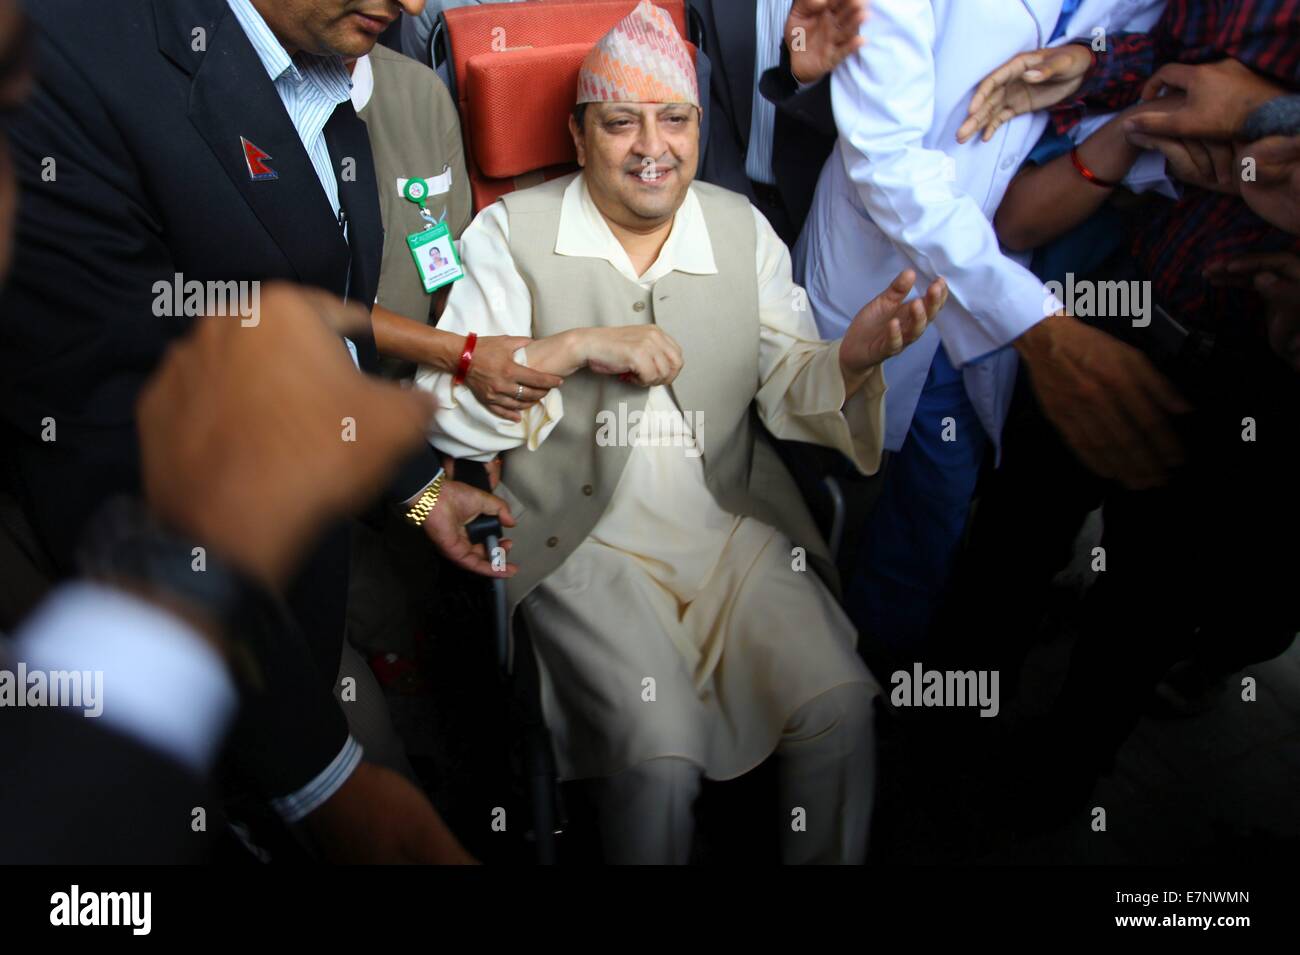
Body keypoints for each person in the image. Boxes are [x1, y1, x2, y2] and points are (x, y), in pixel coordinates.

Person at [416, 0, 947, 864]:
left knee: (840, 705)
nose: (650, 146)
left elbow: (787, 387)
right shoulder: (511, 234)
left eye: (674, 119)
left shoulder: (741, 230)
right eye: (619, 123)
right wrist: (573, 347)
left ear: (701, 128)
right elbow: (445, 403)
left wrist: (850, 357)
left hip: (733, 533)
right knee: (654, 747)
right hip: (583, 545)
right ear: (577, 135)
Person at [0, 0, 513, 860]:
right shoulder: (67, 61)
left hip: (291, 608)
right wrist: (321, 778)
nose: (419, 6)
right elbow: (103, 434)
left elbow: (300, 335)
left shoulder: (334, 70)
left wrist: (423, 492)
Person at [795, 0, 1182, 660]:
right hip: (884, 269)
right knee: (812, 504)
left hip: (1001, 287)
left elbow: (1151, 82)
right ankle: (785, 690)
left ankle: (874, 688)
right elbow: (885, 159)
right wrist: (1034, 323)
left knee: (932, 515)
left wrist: (1098, 76)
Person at [691, 0, 868, 247]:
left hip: (830, 217)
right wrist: (735, 213)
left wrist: (802, 80)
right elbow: (697, 90)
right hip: (720, 204)